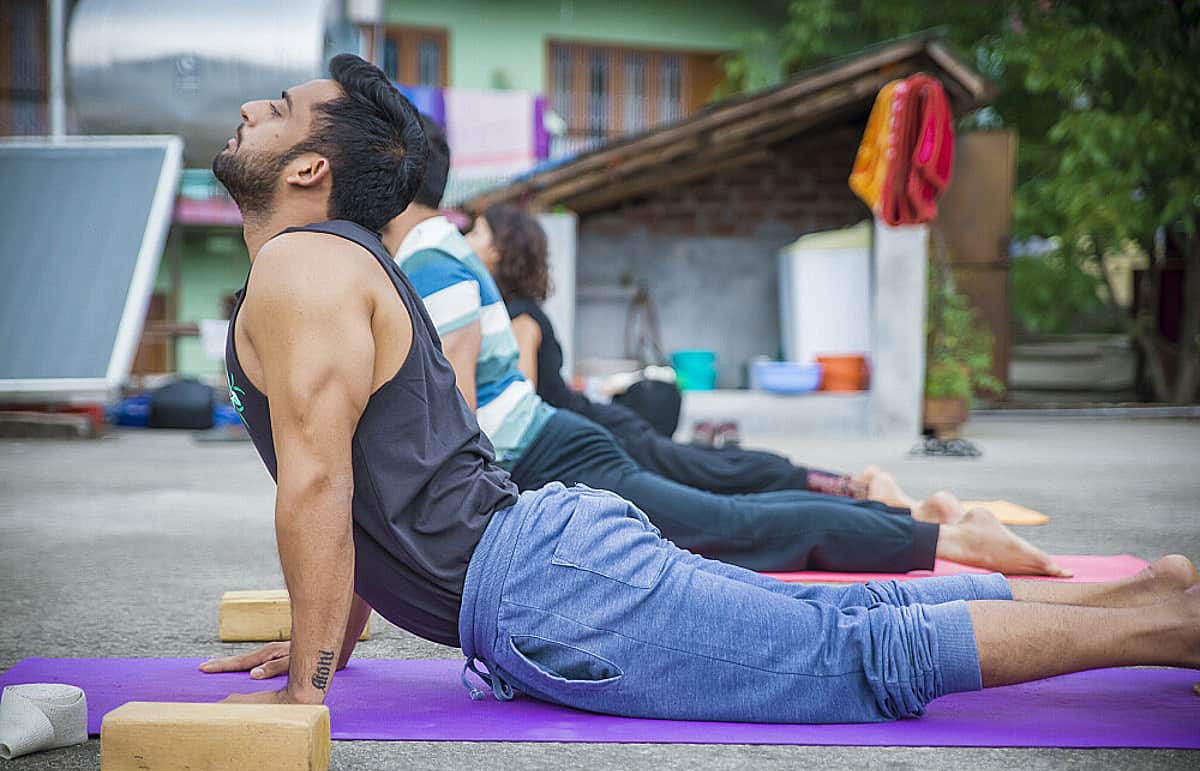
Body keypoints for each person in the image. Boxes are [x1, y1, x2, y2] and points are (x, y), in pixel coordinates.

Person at [199, 56, 1200, 721]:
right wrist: (319, 631)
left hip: (557, 585)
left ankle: (1167, 628)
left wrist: (306, 690)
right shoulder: (316, 267)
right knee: (847, 626)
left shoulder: (308, 267)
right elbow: (371, 485)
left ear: (312, 165)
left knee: (864, 655)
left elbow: (321, 484)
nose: (252, 110)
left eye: (278, 111)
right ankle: (1137, 595)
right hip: (552, 563)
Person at [382, 115, 1066, 578]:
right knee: (732, 502)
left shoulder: (433, 261)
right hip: (561, 446)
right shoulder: (439, 249)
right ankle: (898, 514)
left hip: (561, 452)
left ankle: (947, 537)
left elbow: (460, 422)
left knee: (734, 520)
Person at [467, 202, 962, 523]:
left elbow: (521, 401)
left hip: (600, 433)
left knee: (717, 475)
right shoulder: (521, 312)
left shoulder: (518, 318)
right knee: (712, 470)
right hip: (596, 426)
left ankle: (856, 490)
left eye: (477, 233)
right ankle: (852, 488)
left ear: (499, 250)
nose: (468, 241)